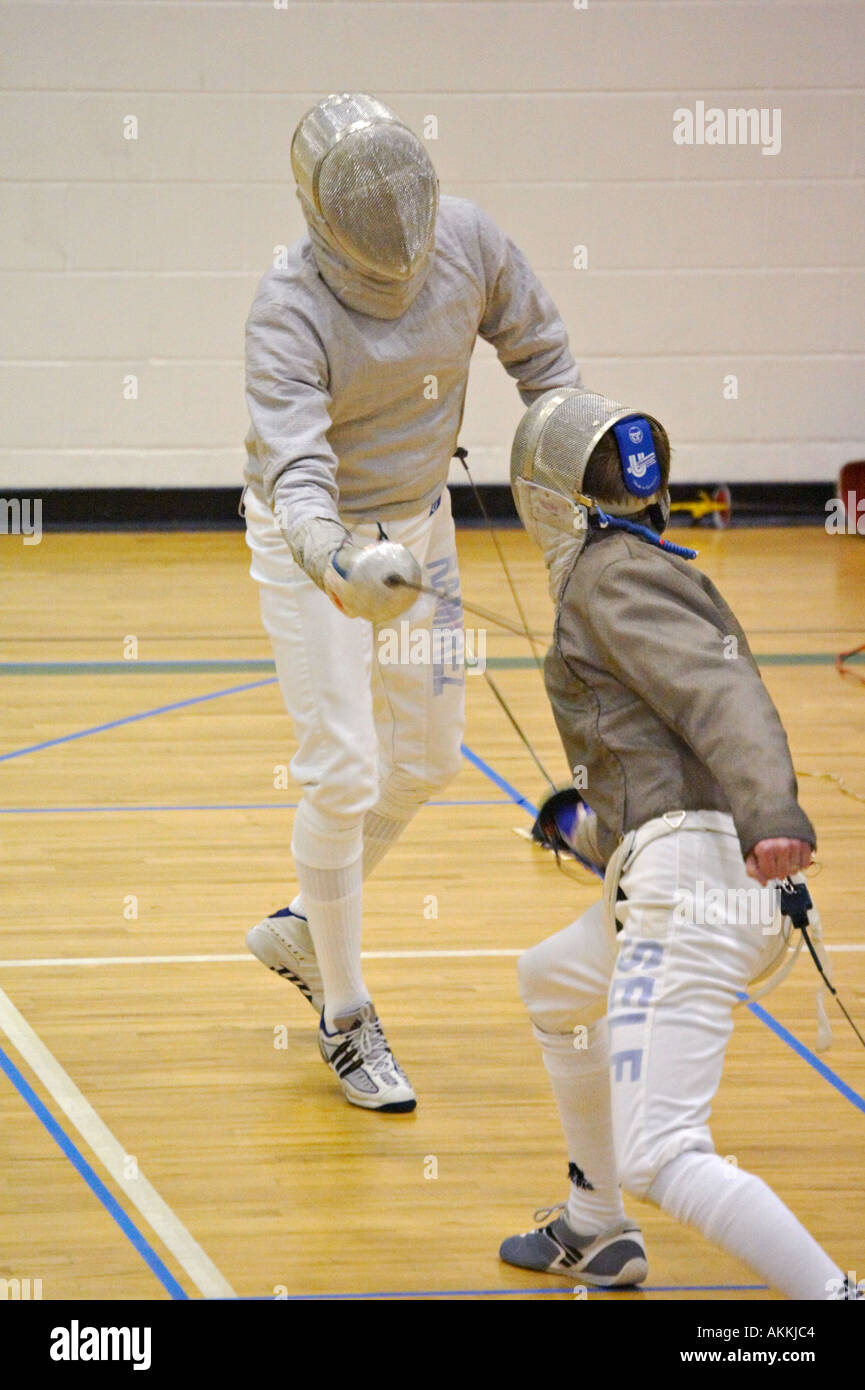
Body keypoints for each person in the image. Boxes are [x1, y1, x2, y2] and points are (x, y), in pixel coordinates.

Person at [242, 93, 582, 1112]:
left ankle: (307, 921)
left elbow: (547, 365)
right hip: (321, 548)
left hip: (421, 528)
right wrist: (339, 564)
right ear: (322, 219)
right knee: (343, 768)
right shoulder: (287, 306)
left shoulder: (469, 238)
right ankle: (343, 1012)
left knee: (429, 757)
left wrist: (579, 485)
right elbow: (297, 477)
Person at [499, 388, 848, 1298]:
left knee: (662, 1152)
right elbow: (660, 739)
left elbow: (718, 696)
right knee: (553, 979)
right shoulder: (629, 566)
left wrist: (773, 812)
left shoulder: (609, 577)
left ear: (550, 498)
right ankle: (595, 1224)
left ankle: (832, 1300)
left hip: (696, 884)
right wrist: (591, 824)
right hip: (675, 865)